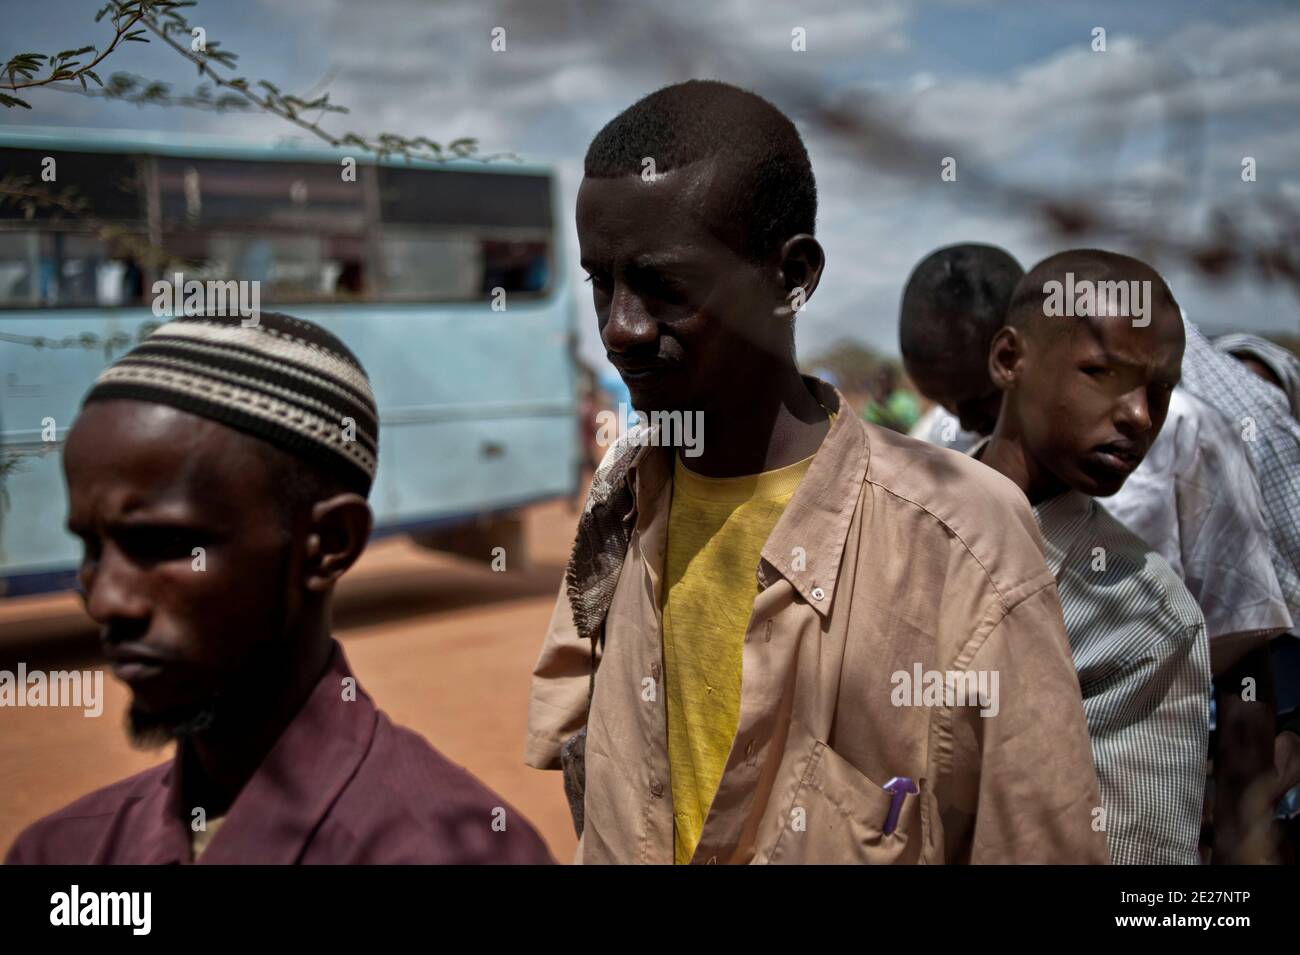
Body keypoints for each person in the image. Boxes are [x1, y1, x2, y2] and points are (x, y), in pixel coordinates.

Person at [525, 80, 1106, 865]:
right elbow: (591, 768)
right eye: (602, 282)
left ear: (792, 277)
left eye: (666, 287)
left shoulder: (965, 540)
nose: (620, 328)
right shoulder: (621, 505)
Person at [6, 311, 554, 865]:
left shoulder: (454, 855)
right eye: (92, 548)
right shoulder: (59, 852)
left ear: (328, 543)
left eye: (163, 543)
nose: (104, 601)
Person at [976, 249, 1210, 863]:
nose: (1139, 416)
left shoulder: (1150, 622)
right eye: (1103, 373)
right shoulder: (883, 511)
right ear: (1009, 359)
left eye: (1160, 390)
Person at [900, 243, 1024, 450]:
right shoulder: (935, 440)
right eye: (943, 402)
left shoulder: (1080, 447)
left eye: (980, 399)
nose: (966, 424)